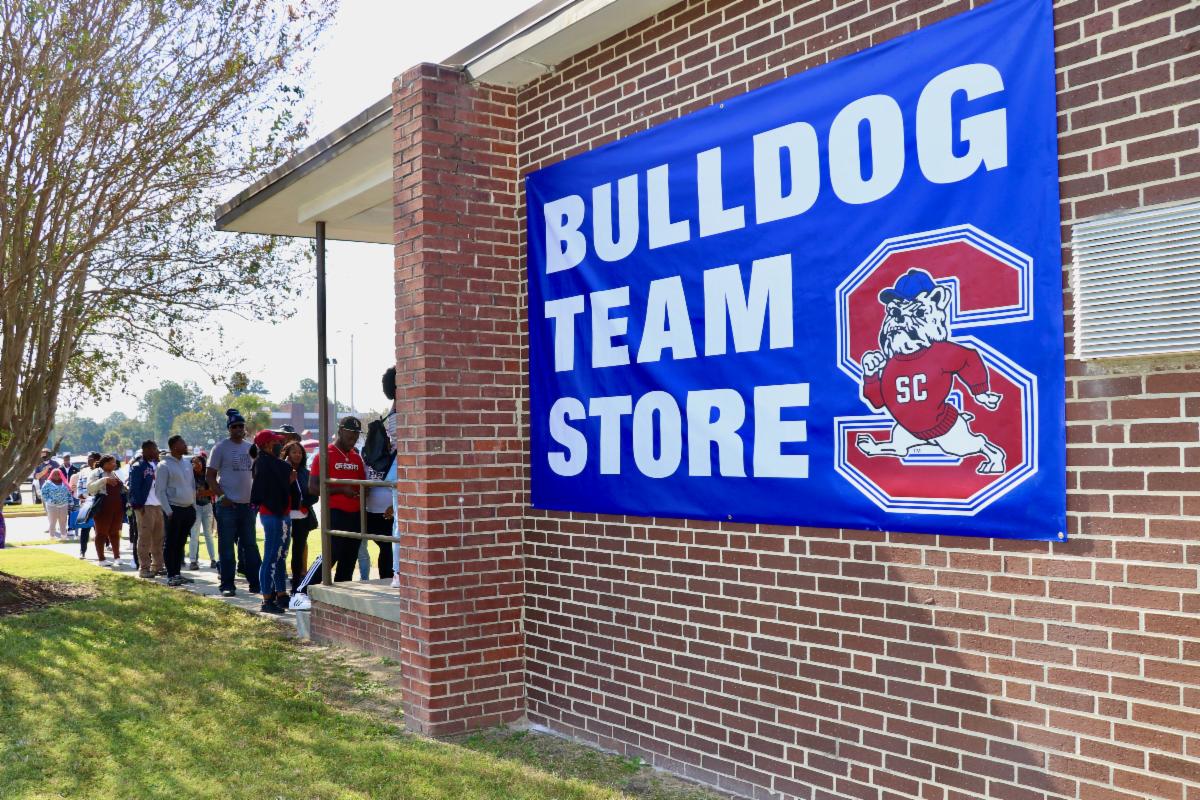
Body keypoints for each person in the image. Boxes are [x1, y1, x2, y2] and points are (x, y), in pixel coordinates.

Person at [207, 409, 261, 597]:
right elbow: (210, 476)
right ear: (229, 429)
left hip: (248, 506)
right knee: (226, 547)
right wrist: (223, 497)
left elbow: (256, 473)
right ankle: (227, 584)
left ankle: (256, 583)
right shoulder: (220, 448)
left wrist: (256, 498)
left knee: (250, 546)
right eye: (234, 426)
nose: (238, 429)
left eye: (241, 426)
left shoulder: (251, 447)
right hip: (227, 506)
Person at [308, 416, 366, 582]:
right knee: (330, 554)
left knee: (349, 558)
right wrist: (340, 489)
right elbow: (313, 488)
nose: (354, 437)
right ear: (340, 431)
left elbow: (362, 485)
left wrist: (364, 491)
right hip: (334, 513)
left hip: (355, 515)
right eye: (350, 433)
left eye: (357, 434)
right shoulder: (325, 455)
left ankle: (342, 591)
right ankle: (302, 590)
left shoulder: (357, 457)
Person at [251, 430, 297, 614]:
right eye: (275, 442)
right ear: (266, 445)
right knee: (271, 556)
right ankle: (267, 599)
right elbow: (267, 489)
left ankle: (281, 594)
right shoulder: (262, 463)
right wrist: (288, 479)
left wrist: (288, 479)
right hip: (272, 514)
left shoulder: (274, 463)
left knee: (280, 556)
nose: (279, 445)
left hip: (282, 513)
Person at [155, 435, 197, 587]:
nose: (185, 445)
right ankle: (171, 575)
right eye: (182, 443)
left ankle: (178, 573)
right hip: (173, 510)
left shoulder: (187, 463)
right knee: (171, 543)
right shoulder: (164, 465)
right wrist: (168, 511)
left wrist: (193, 505)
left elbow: (192, 485)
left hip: (188, 509)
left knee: (181, 543)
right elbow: (160, 491)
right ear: (174, 447)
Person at [283, 441, 318, 593]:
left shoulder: (306, 473)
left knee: (298, 552)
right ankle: (277, 586)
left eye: (300, 452)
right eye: (294, 452)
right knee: (281, 551)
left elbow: (314, 494)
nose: (297, 455)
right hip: (284, 517)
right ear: (287, 454)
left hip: (302, 517)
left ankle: (296, 584)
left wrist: (304, 504)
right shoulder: (281, 471)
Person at [129, 440, 166, 579]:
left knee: (158, 538)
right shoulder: (138, 466)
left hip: (159, 505)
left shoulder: (158, 465)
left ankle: (158, 566)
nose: (157, 452)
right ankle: (144, 568)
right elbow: (134, 488)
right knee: (145, 538)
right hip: (145, 506)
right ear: (147, 450)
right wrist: (138, 505)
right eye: (155, 449)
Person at [86, 455, 126, 566]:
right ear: (105, 464)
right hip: (103, 507)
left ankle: (117, 557)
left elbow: (121, 488)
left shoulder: (114, 473)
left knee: (115, 532)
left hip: (117, 507)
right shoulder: (96, 473)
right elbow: (90, 488)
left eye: (114, 462)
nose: (114, 464)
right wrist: (104, 480)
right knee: (101, 533)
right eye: (112, 463)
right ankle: (101, 559)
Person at [188, 454, 216, 570]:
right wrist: (202, 493)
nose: (196, 465)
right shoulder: (189, 476)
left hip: (207, 506)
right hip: (195, 507)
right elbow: (189, 493)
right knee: (194, 534)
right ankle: (193, 561)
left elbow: (213, 491)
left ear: (203, 463)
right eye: (193, 463)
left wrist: (201, 493)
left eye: (198, 462)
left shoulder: (207, 476)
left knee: (208, 534)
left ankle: (213, 559)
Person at [70, 453, 99, 557]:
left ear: (97, 460)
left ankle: (103, 549)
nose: (88, 460)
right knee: (85, 528)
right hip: (86, 503)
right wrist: (81, 496)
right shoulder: (84, 471)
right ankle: (82, 551)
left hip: (98, 503)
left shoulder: (101, 471)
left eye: (90, 458)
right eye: (88, 458)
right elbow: (79, 485)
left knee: (99, 529)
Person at [41, 469, 72, 539]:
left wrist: (70, 502)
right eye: (55, 474)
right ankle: (52, 536)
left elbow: (69, 493)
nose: (57, 476)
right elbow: (43, 494)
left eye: (58, 474)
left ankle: (63, 535)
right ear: (51, 475)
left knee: (63, 521)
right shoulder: (47, 483)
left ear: (61, 475)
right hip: (52, 506)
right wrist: (50, 501)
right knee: (52, 521)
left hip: (64, 505)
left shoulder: (64, 483)